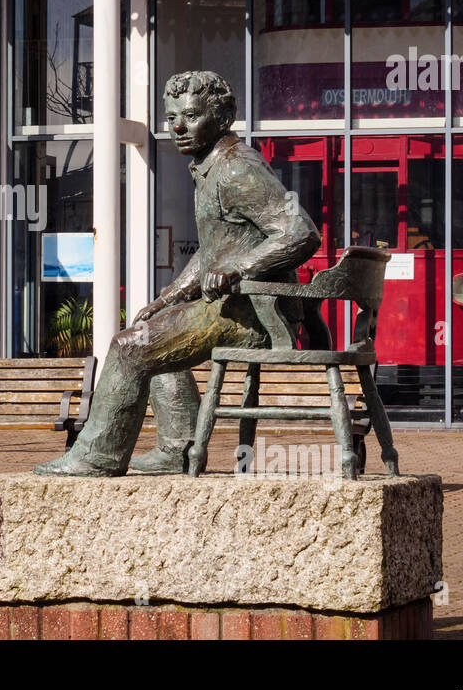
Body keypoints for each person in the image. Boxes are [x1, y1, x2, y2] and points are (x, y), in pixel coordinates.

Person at [34, 70, 321, 477]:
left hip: (254, 311)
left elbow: (301, 233)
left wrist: (238, 268)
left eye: (190, 116)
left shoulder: (236, 169)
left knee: (129, 349)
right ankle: (178, 448)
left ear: (222, 117)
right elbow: (211, 252)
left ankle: (97, 456)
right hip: (234, 305)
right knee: (154, 330)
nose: (178, 128)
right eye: (171, 119)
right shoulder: (210, 166)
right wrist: (167, 298)